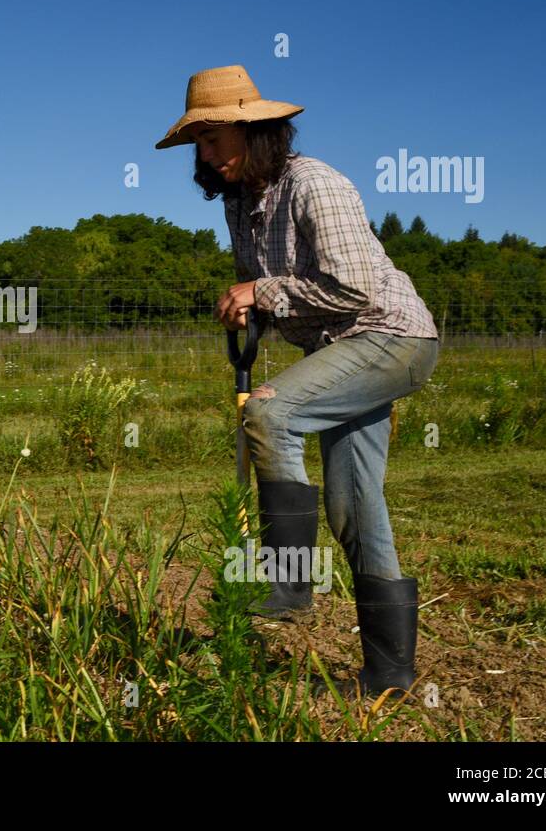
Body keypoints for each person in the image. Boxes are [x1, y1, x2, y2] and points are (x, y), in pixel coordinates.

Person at [156, 65, 440, 698]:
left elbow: (354, 287)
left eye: (212, 138)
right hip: (340, 348)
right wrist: (247, 302)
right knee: (354, 507)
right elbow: (274, 291)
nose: (204, 156)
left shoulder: (315, 184)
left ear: (255, 130)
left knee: (270, 413)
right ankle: (389, 676)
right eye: (197, 144)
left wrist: (264, 290)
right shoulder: (240, 205)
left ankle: (288, 581)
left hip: (390, 336)